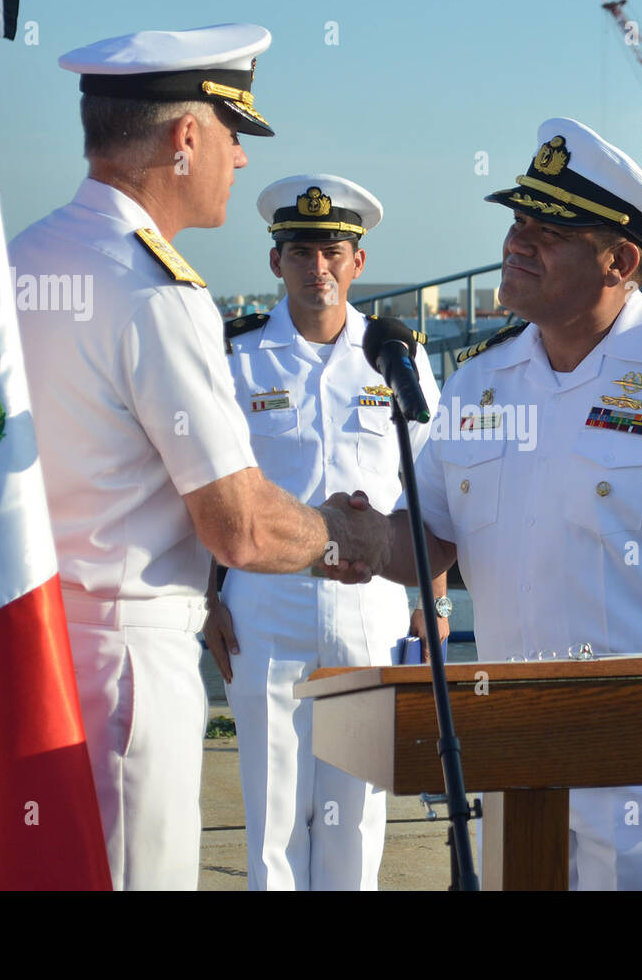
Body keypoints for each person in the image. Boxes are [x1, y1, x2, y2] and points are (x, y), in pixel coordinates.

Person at [333, 117, 642, 890]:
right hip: (509, 752)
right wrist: (348, 536)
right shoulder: (477, 383)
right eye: (518, 221)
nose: (517, 242)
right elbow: (427, 541)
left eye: (548, 231)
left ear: (620, 261)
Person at [8, 26, 388, 891]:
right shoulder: (154, 289)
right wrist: (344, 539)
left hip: (26, 656)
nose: (240, 162)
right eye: (234, 135)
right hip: (125, 666)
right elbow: (240, 525)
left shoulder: (24, 258)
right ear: (186, 139)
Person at [202, 174, 447, 890]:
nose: (318, 267)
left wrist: (433, 605)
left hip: (369, 613)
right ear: (275, 261)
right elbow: (200, 490)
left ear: (357, 261)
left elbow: (424, 491)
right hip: (264, 609)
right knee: (274, 827)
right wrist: (204, 600)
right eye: (301, 251)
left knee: (357, 828)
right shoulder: (235, 357)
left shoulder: (398, 360)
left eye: (333, 251)